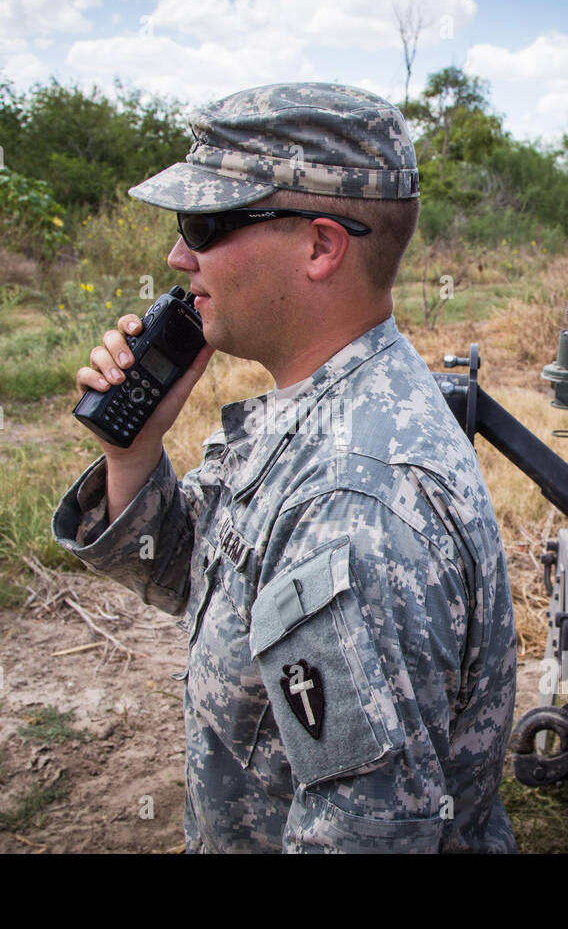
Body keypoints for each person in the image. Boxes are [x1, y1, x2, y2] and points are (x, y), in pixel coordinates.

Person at [52, 82, 518, 852]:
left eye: (204, 224)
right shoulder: (321, 407)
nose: (178, 256)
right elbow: (199, 579)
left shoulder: (356, 502)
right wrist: (131, 456)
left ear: (321, 247)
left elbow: (366, 835)